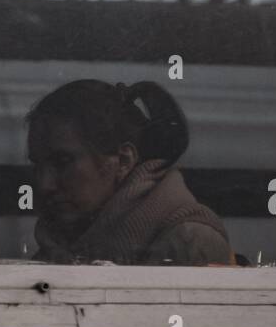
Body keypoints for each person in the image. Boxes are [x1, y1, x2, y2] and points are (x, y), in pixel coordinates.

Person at [26, 79, 234, 266]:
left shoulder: (189, 243)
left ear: (124, 160)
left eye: (63, 162)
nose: (45, 184)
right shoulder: (62, 245)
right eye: (38, 166)